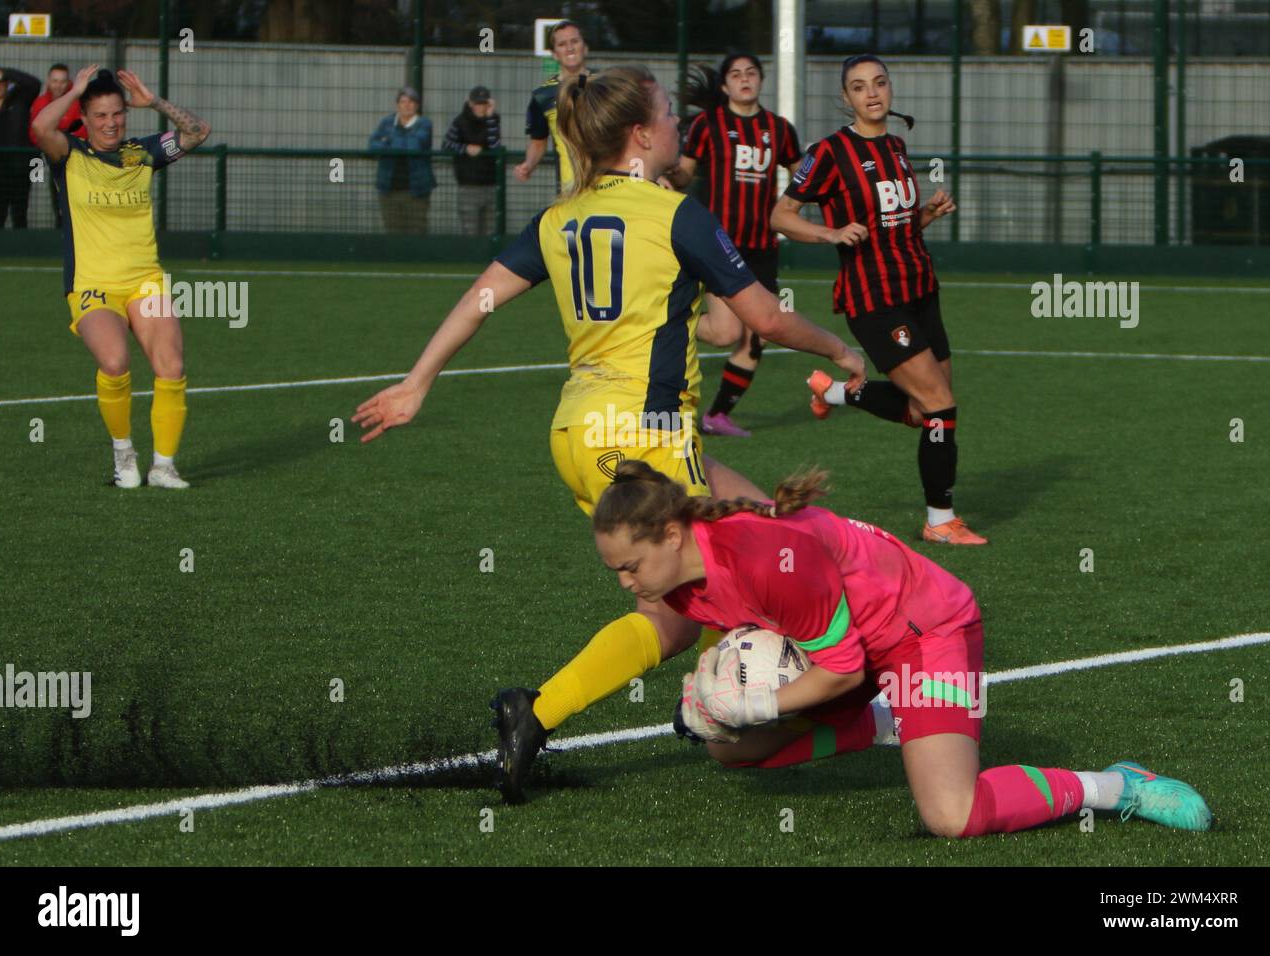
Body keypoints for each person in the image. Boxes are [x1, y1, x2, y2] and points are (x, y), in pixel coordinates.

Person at [353, 66, 867, 804]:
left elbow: (483, 297)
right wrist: (843, 351)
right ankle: (709, 709)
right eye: (665, 113)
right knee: (739, 570)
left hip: (575, 431)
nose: (677, 125)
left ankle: (609, 709)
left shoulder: (564, 217)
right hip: (647, 430)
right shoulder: (677, 214)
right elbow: (768, 321)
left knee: (748, 531)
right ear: (639, 134)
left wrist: (417, 381)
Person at [591, 460, 1214, 837]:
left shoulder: (762, 558)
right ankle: (892, 720)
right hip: (853, 647)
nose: (625, 583)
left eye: (630, 566)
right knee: (732, 754)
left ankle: (1117, 786)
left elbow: (838, 672)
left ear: (673, 535)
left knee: (952, 816)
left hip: (927, 631)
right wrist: (706, 701)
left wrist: (749, 704)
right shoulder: (677, 580)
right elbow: (761, 636)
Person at [772, 54, 986, 545]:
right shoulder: (826, 152)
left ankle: (835, 393)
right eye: (859, 86)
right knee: (939, 404)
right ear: (845, 98)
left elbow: (893, 224)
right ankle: (939, 521)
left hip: (921, 288)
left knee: (921, 413)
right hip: (874, 298)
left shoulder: (895, 145)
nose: (872, 93)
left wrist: (927, 214)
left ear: (890, 90)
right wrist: (829, 233)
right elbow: (781, 216)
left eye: (880, 83)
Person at [33, 66, 210, 489]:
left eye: (118, 114)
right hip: (93, 284)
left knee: (171, 366)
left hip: (144, 280)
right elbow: (40, 126)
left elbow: (198, 131)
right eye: (100, 115)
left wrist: (154, 104)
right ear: (86, 117)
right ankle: (123, 454)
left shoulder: (139, 153)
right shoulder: (69, 154)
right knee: (114, 362)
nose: (111, 123)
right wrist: (74, 89)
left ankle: (163, 465)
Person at [668, 53, 802, 438]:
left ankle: (717, 416)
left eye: (752, 73)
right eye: (736, 75)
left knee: (759, 333)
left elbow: (801, 176)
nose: (745, 80)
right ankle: (667, 320)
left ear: (761, 80)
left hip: (762, 247)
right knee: (726, 334)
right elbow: (684, 174)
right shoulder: (709, 125)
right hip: (719, 243)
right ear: (725, 86)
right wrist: (661, 170)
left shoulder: (779, 129)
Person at [513, 19, 588, 189]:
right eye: (562, 44)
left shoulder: (607, 85)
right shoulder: (542, 95)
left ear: (585, 47)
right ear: (555, 54)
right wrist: (529, 165)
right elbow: (538, 142)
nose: (570, 48)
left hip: (609, 188)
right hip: (570, 191)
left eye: (575, 41)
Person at [370, 86, 435, 234]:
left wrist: (388, 141)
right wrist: (398, 141)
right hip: (388, 189)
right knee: (392, 232)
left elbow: (415, 145)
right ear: (397, 105)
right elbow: (372, 145)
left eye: (411, 102)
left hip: (417, 189)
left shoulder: (425, 124)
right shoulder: (386, 122)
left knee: (417, 232)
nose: (407, 105)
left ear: (417, 105)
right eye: (403, 101)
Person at [29, 63, 87, 225]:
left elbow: (82, 130)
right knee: (55, 192)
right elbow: (35, 132)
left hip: (76, 157)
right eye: (55, 81)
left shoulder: (77, 102)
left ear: (68, 81)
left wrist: (55, 134)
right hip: (47, 155)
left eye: (62, 81)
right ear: (48, 81)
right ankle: (59, 224)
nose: (58, 85)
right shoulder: (40, 103)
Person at [442, 85, 501, 237]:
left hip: (490, 184)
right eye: (478, 103)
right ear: (470, 103)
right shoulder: (460, 122)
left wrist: (490, 118)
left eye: (484, 104)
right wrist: (465, 148)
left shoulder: (493, 120)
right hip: (468, 185)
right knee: (470, 231)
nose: (481, 107)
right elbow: (446, 145)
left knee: (490, 231)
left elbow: (495, 145)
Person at [0, 66, 41, 229]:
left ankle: (23, 250)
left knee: (19, 214)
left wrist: (5, 72)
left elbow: (34, 84)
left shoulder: (19, 100)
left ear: (6, 83)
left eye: (0, 82)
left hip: (20, 170)